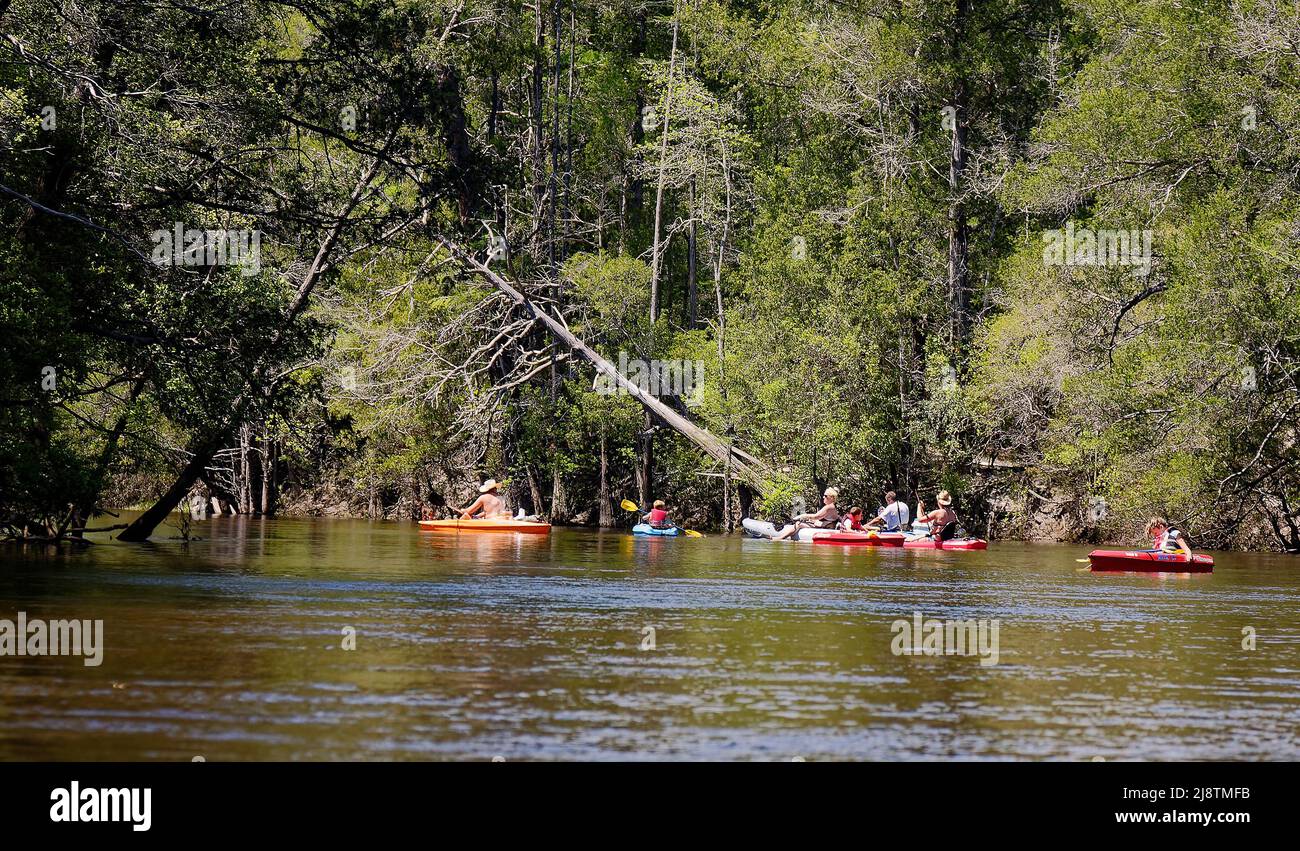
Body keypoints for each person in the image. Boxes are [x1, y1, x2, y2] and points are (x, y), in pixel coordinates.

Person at [772, 487, 841, 541]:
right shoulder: (831, 506)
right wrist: (812, 520)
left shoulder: (829, 507)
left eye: (825, 496)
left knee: (798, 524)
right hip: (827, 525)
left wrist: (803, 516)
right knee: (810, 521)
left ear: (832, 498)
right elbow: (819, 518)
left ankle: (781, 538)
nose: (823, 497)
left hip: (826, 528)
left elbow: (816, 516)